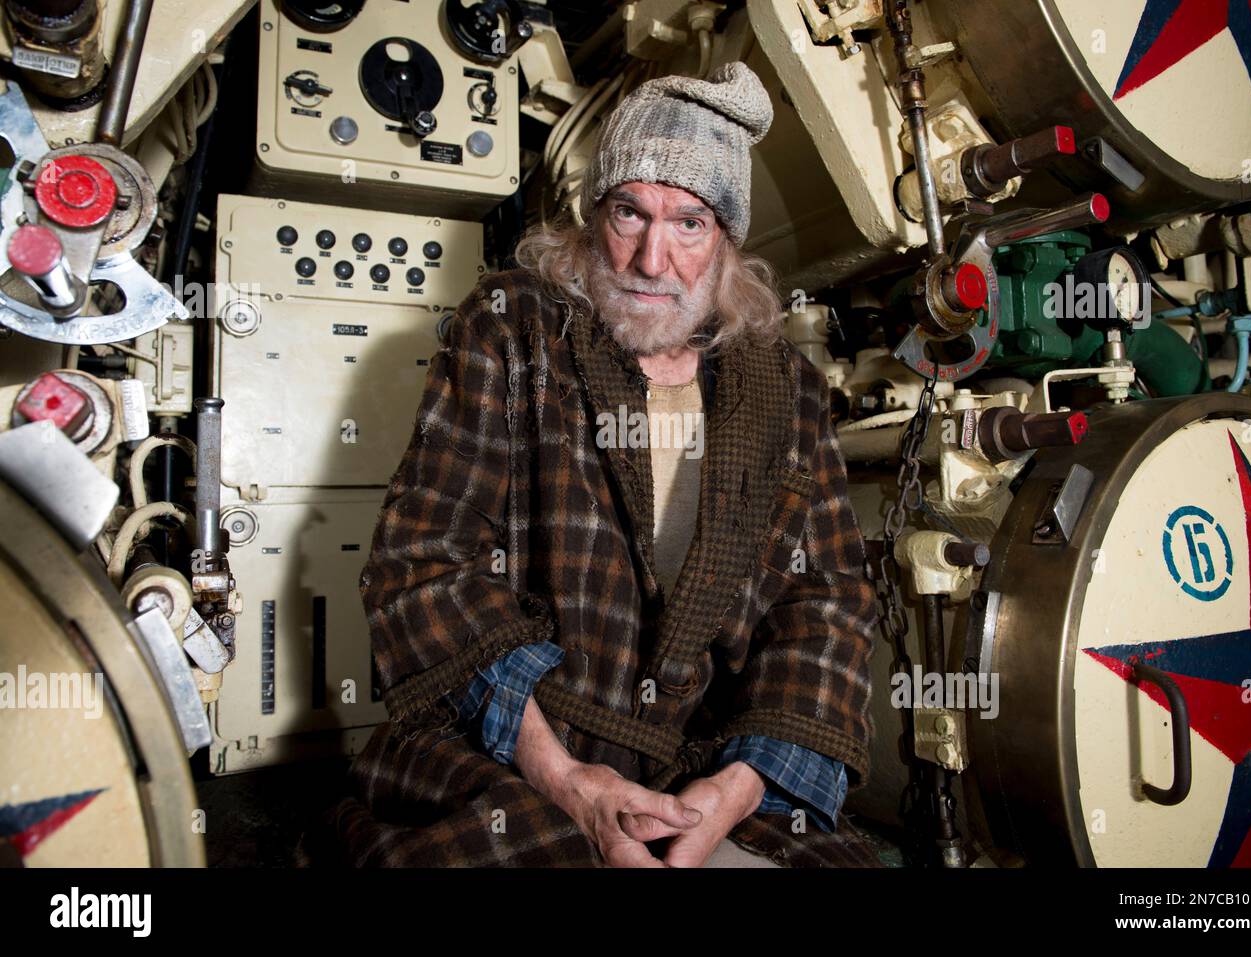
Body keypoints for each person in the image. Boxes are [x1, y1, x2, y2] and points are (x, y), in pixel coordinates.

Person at [321, 61, 880, 867]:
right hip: (518, 750)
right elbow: (420, 565)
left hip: (705, 767)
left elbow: (824, 601)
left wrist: (731, 793)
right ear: (591, 219)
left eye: (689, 223)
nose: (654, 260)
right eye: (630, 214)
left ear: (725, 242)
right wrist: (572, 783)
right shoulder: (512, 331)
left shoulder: (786, 389)